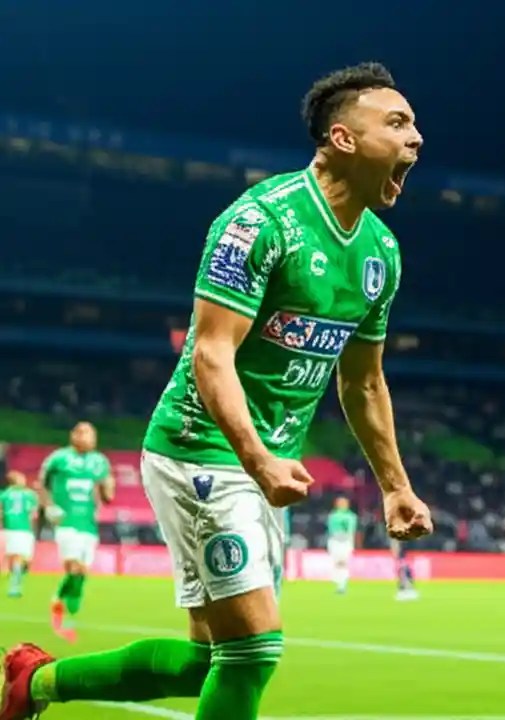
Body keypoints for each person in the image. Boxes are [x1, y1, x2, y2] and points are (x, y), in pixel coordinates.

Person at [0, 62, 432, 720]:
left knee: (210, 660)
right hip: (201, 449)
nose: (416, 137)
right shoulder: (259, 221)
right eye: (397, 122)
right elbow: (211, 352)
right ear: (341, 137)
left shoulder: (382, 254)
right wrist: (257, 460)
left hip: (262, 468)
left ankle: (34, 684)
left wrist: (396, 484)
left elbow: (363, 378)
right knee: (256, 649)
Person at [39, 422, 115, 639]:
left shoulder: (100, 462)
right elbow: (42, 484)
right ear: (73, 435)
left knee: (81, 571)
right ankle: (63, 609)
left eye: (92, 434)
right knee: (74, 567)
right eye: (83, 433)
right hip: (66, 522)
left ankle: (61, 602)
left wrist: (109, 484)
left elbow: (108, 497)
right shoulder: (58, 458)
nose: (88, 438)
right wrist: (49, 507)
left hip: (88, 524)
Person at [1, 471, 40, 599]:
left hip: (9, 529)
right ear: (15, 480)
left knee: (16, 557)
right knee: (20, 558)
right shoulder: (29, 495)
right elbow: (34, 514)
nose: (24, 481)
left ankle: (15, 578)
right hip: (23, 530)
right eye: (21, 478)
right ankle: (14, 587)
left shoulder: (4, 495)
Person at [326, 497, 359, 595]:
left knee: (342, 564)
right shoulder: (349, 516)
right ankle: (340, 583)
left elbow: (350, 531)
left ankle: (341, 584)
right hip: (337, 542)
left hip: (342, 542)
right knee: (339, 564)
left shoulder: (334, 516)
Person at [390, 537, 419, 601]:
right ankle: (404, 589)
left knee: (404, 573)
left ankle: (406, 589)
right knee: (403, 573)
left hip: (403, 558)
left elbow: (396, 547)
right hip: (402, 558)